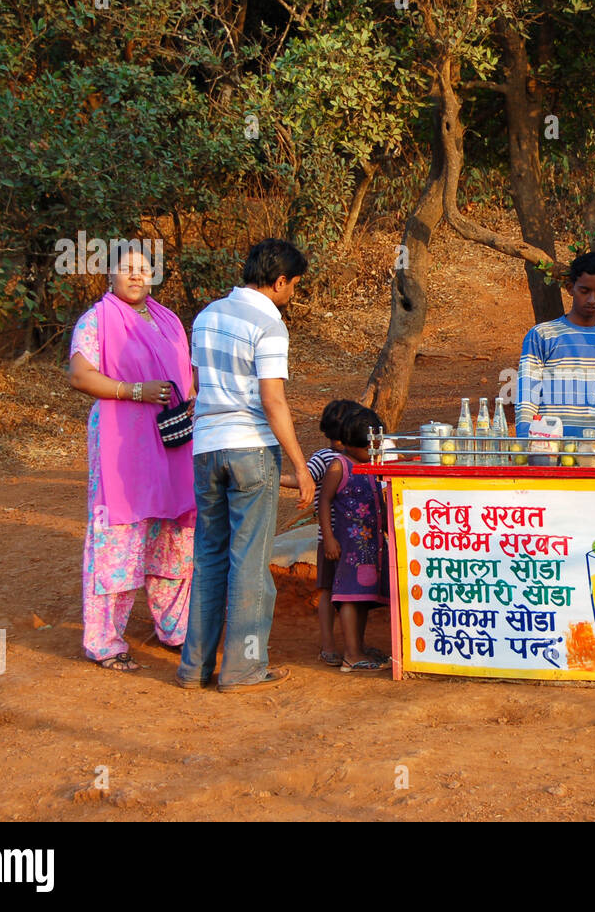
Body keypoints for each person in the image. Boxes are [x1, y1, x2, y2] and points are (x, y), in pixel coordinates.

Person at [177, 239, 315, 692]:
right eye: (293, 286)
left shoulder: (206, 316)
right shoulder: (270, 326)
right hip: (251, 448)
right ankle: (243, 667)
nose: (292, 293)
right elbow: (272, 400)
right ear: (279, 282)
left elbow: (199, 384)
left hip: (206, 448)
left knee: (210, 558)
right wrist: (299, 462)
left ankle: (194, 667)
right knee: (251, 563)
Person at [67, 245, 196, 671]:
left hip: (173, 442)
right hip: (123, 445)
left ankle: (176, 628)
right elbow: (80, 376)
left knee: (174, 531)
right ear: (110, 273)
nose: (137, 276)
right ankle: (104, 641)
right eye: (128, 269)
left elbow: (186, 378)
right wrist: (133, 391)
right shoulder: (96, 321)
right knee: (119, 536)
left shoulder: (168, 320)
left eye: (144, 269)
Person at [281, 400, 391, 672]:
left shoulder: (370, 463)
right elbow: (321, 496)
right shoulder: (333, 463)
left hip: (362, 545)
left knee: (357, 595)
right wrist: (328, 538)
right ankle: (338, 650)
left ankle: (355, 648)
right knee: (338, 594)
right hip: (338, 542)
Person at [515, 252, 595, 439]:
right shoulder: (542, 335)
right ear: (570, 288)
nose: (592, 300)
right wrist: (526, 446)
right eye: (585, 291)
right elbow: (526, 402)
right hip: (550, 450)